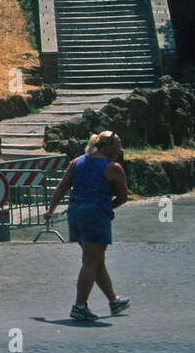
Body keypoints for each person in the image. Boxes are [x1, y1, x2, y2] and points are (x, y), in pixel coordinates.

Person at [44, 131, 131, 321]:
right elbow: (123, 197)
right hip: (94, 214)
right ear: (106, 147)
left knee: (96, 259)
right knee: (91, 261)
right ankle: (80, 306)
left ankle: (113, 300)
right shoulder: (113, 167)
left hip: (75, 213)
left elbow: (62, 187)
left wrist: (51, 209)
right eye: (117, 145)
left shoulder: (77, 162)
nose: (120, 149)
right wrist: (106, 206)